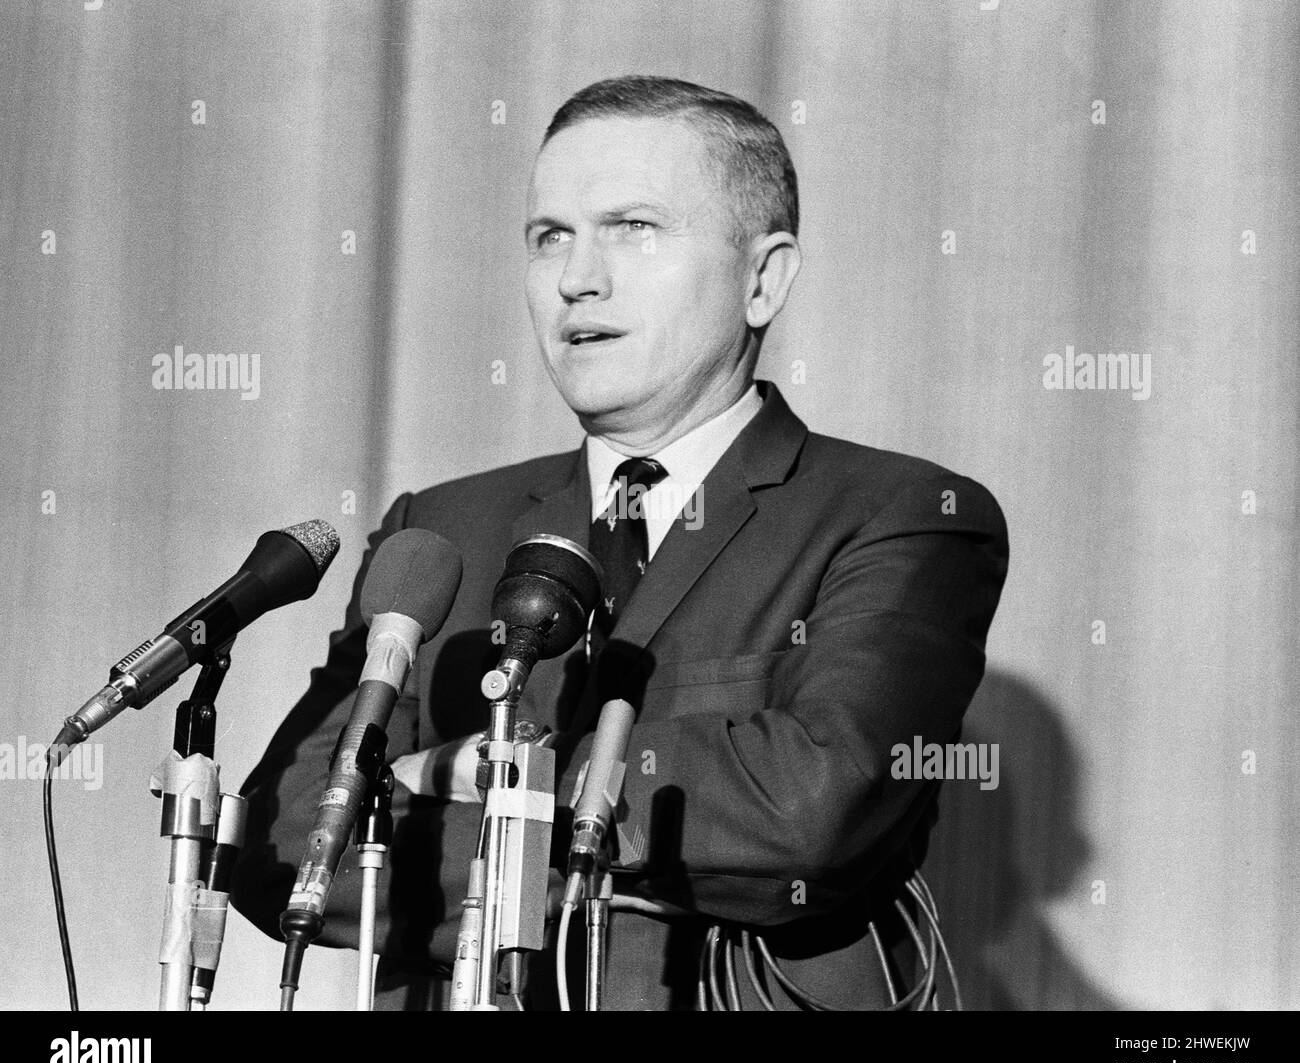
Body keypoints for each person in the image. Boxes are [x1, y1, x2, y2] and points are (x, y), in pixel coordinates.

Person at [231, 75, 1009, 1010]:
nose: (576, 277)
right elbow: (283, 842)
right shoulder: (438, 530)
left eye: (632, 227)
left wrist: (459, 775)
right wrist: (656, 850)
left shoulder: (903, 513)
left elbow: (813, 811)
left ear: (764, 278)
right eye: (549, 235)